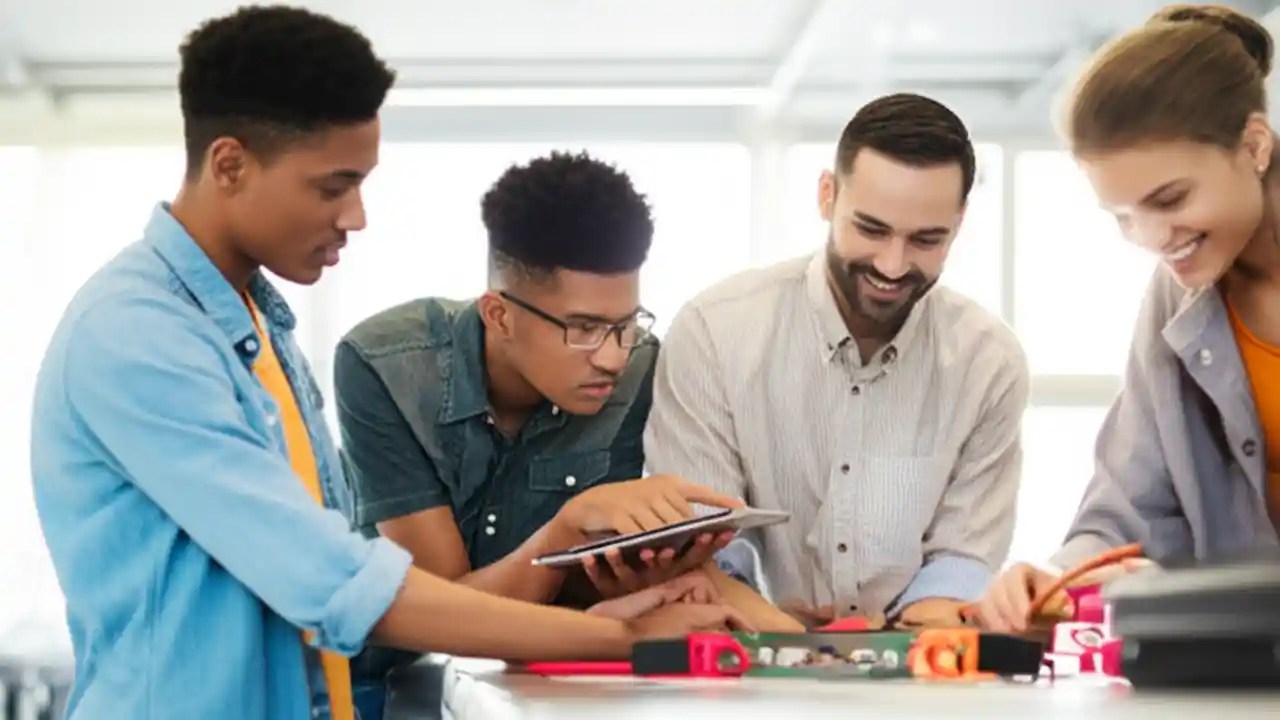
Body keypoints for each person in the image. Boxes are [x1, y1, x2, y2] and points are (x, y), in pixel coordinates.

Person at [28, 7, 745, 720]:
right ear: (230, 165)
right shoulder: (141, 335)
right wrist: (619, 642)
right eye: (332, 186)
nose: (356, 217)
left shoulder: (253, 325)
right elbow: (340, 584)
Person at [335, 151, 801, 711]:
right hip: (387, 688)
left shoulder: (640, 369)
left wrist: (652, 576)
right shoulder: (384, 367)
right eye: (583, 329)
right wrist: (565, 532)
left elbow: (584, 580)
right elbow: (443, 615)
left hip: (546, 682)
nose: (613, 357)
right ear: (498, 315)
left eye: (625, 325)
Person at [644, 92, 1030, 628]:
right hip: (744, 649)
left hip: (915, 659)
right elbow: (700, 541)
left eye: (926, 240)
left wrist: (902, 631)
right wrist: (772, 622)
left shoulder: (989, 363)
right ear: (827, 195)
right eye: (871, 229)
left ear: (959, 222)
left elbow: (963, 557)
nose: (892, 266)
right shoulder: (715, 331)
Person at [971, 4, 1280, 634]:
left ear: (1254, 145)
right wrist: (1061, 576)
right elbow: (1131, 509)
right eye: (1123, 215)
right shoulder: (1176, 299)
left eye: (1170, 199)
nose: (1151, 238)